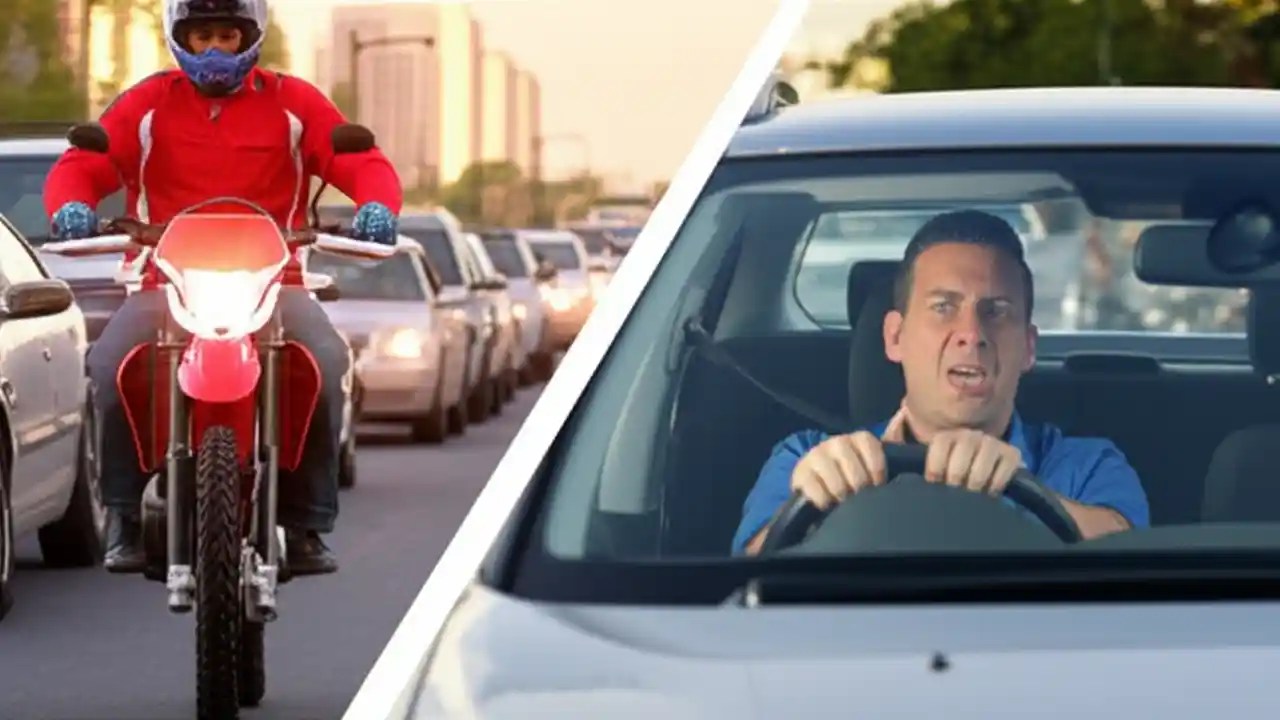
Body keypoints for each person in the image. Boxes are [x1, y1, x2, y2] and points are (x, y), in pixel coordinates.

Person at [42, 0, 403, 576]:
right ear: (179, 36)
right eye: (203, 34)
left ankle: (307, 522)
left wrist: (378, 204)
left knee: (326, 359)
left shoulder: (294, 101)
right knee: (110, 367)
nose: (215, 49)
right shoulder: (147, 102)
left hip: (275, 281)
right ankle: (122, 514)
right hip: (164, 280)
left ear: (251, 37)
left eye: (227, 35)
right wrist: (72, 207)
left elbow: (357, 158)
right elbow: (85, 161)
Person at [733, 209, 1151, 556]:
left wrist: (1021, 490)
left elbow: (1134, 562)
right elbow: (746, 586)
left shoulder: (1086, 465)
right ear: (895, 337)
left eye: (996, 310)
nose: (971, 332)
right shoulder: (806, 457)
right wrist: (824, 506)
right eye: (943, 307)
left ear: (1027, 347)